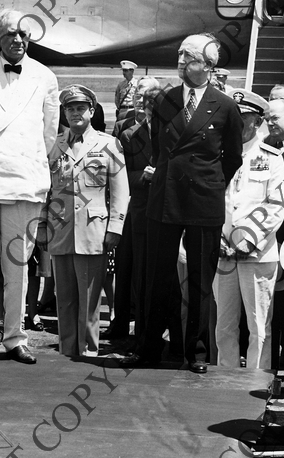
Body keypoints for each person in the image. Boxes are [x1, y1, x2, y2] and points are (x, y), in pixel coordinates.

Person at [0, 10, 59, 366]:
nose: (17, 40)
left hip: (24, 183)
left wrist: (31, 168)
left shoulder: (45, 77)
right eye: (10, 34)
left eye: (23, 34)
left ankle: (16, 337)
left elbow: (49, 134)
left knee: (17, 266)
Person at [141, 33, 244, 373]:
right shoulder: (165, 100)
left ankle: (195, 354)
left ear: (209, 66)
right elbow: (158, 147)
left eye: (190, 57)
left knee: (200, 281)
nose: (181, 61)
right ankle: (150, 348)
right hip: (166, 199)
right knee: (157, 277)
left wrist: (208, 183)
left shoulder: (225, 105)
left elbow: (232, 157)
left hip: (202, 201)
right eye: (180, 54)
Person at [40, 85, 128, 357]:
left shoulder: (108, 144)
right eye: (70, 109)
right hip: (60, 230)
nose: (75, 113)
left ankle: (88, 351)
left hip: (93, 231)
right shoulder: (54, 144)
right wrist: (42, 225)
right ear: (64, 113)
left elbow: (120, 191)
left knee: (90, 302)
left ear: (92, 111)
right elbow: (45, 190)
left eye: (80, 108)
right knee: (64, 300)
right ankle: (67, 352)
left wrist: (115, 227)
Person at [214, 90, 284, 369]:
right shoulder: (216, 155)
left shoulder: (272, 158)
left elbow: (276, 205)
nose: (235, 124)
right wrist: (218, 239)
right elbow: (209, 200)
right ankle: (226, 378)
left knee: (259, 326)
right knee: (224, 325)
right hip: (222, 251)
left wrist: (249, 240)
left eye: (242, 119)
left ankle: (257, 382)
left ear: (257, 122)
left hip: (257, 253)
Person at [104, 77, 160, 341]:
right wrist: (143, 176)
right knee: (128, 268)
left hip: (163, 210)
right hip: (135, 207)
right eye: (139, 95)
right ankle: (124, 323)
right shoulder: (127, 133)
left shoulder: (173, 132)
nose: (141, 101)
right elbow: (118, 173)